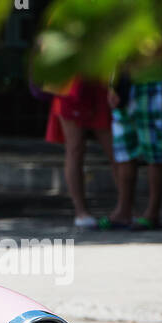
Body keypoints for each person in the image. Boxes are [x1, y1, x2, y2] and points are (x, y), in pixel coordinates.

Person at [106, 52, 162, 230]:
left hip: (160, 87)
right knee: (124, 150)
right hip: (123, 87)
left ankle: (152, 214)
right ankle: (123, 211)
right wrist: (112, 85)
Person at [44, 78, 116, 230]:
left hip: (99, 82)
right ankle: (81, 212)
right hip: (70, 85)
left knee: (115, 150)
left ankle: (126, 208)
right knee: (75, 148)